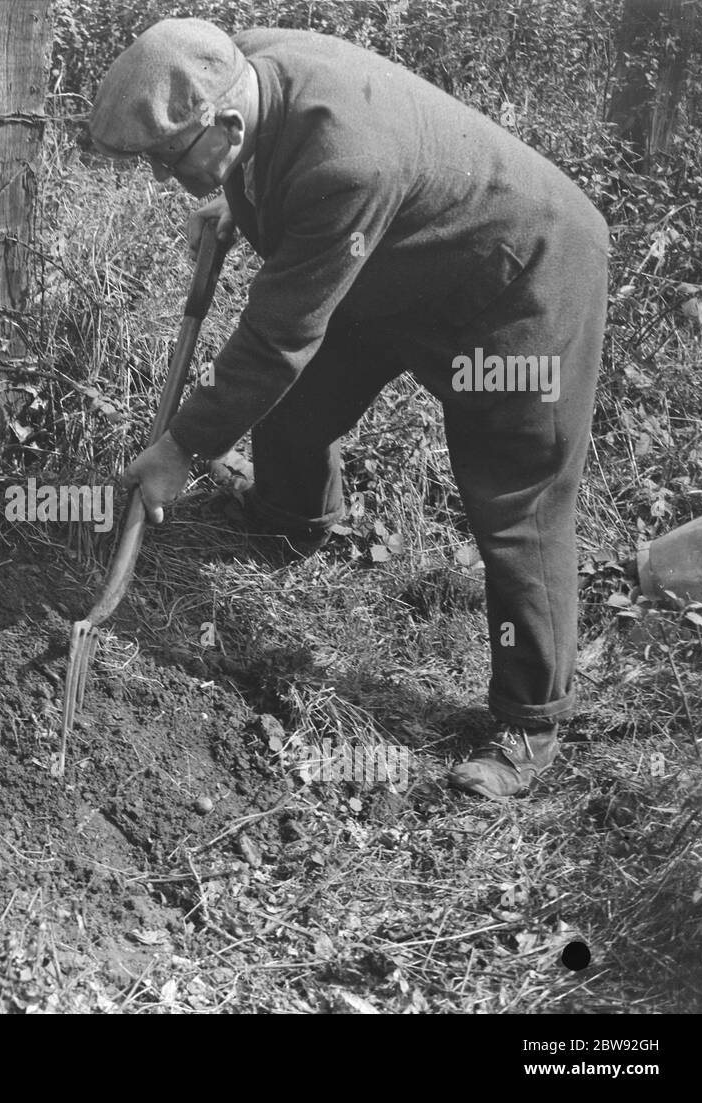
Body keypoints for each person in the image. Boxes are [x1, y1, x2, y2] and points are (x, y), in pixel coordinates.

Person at [88, 18, 609, 799]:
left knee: (517, 498)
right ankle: (292, 518)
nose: (164, 178)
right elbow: (273, 185)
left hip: (519, 285)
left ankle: (531, 720)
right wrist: (241, 196)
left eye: (169, 157)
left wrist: (179, 451)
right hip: (401, 260)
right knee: (297, 404)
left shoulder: (344, 164)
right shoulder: (249, 64)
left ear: (227, 124)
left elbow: (273, 339)